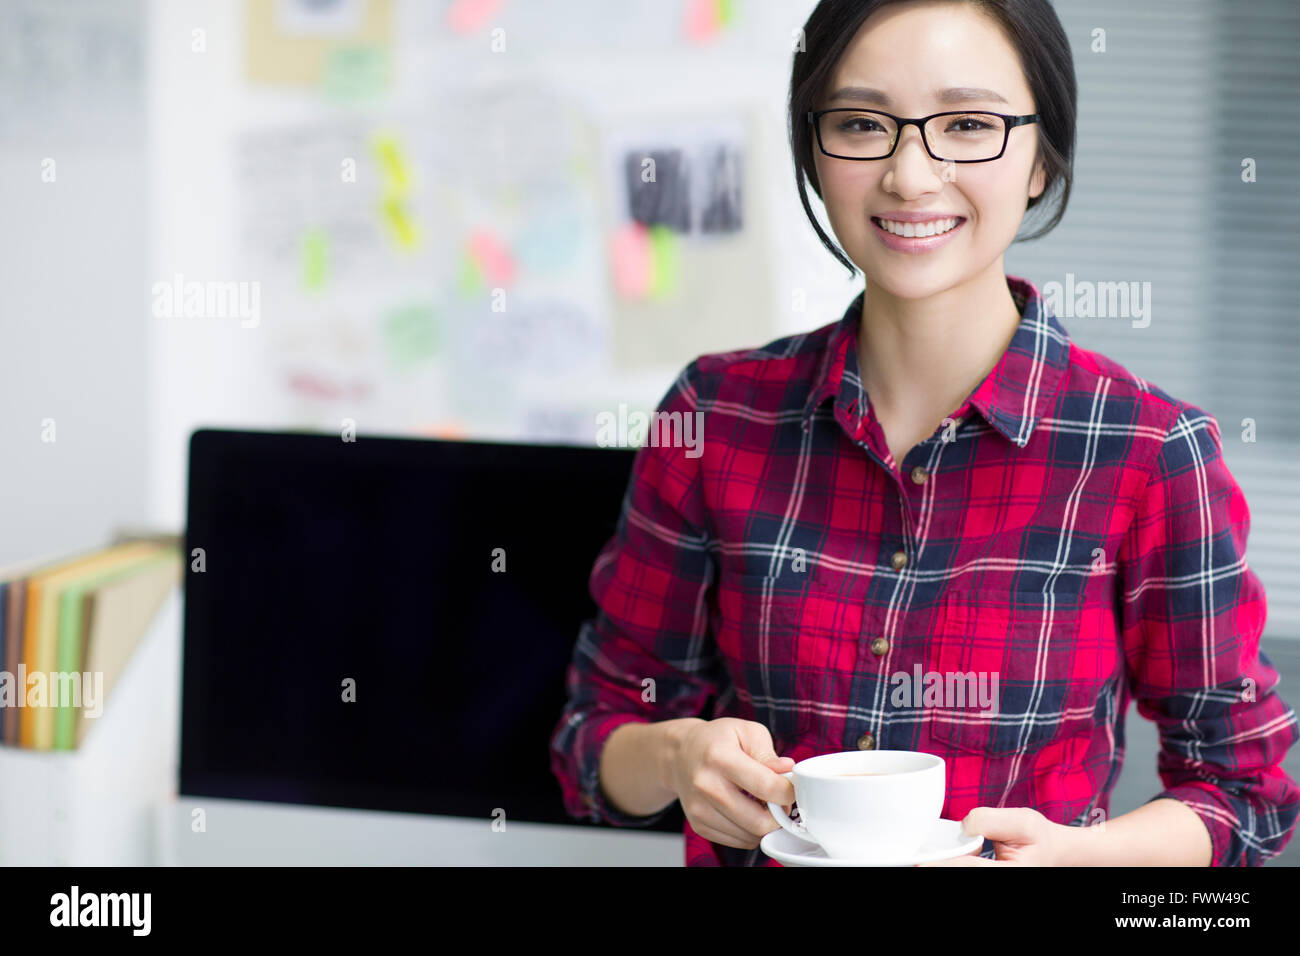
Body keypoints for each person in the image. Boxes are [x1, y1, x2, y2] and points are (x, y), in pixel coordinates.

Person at [550, 0, 1300, 866]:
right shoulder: (716, 415)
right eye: (864, 124)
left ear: (1040, 157)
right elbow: (593, 736)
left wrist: (1075, 858)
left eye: (969, 124)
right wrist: (678, 759)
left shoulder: (1149, 452)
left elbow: (1243, 794)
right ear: (813, 148)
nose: (911, 174)